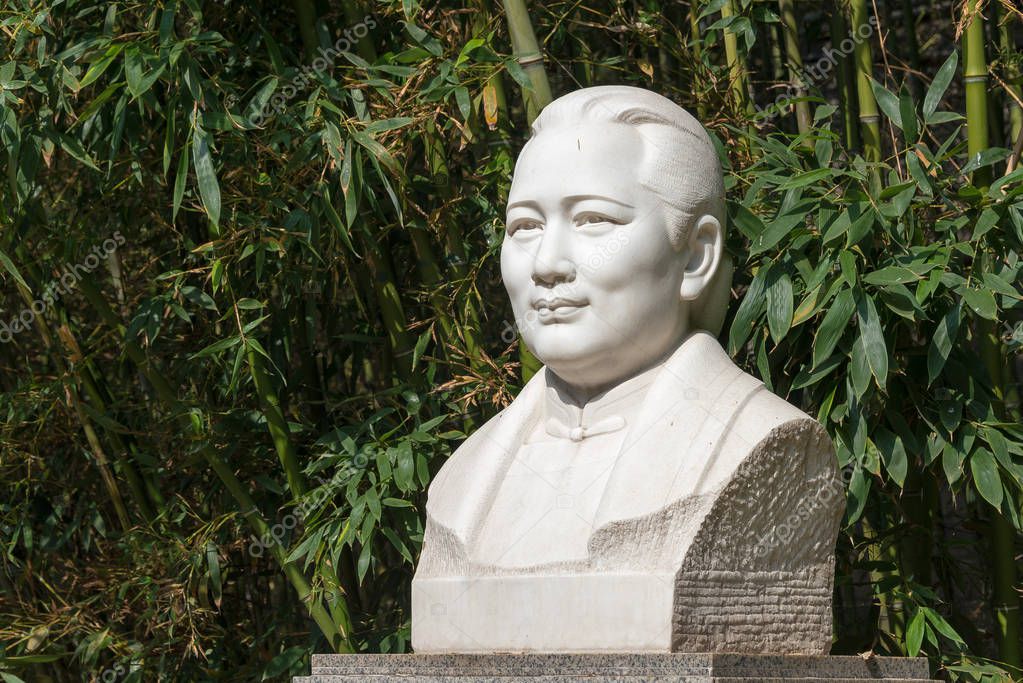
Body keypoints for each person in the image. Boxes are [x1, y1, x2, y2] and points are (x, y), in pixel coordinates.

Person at [411, 86, 843, 654]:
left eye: (593, 220)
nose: (546, 264)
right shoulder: (460, 482)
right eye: (524, 227)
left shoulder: (763, 446)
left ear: (695, 255)